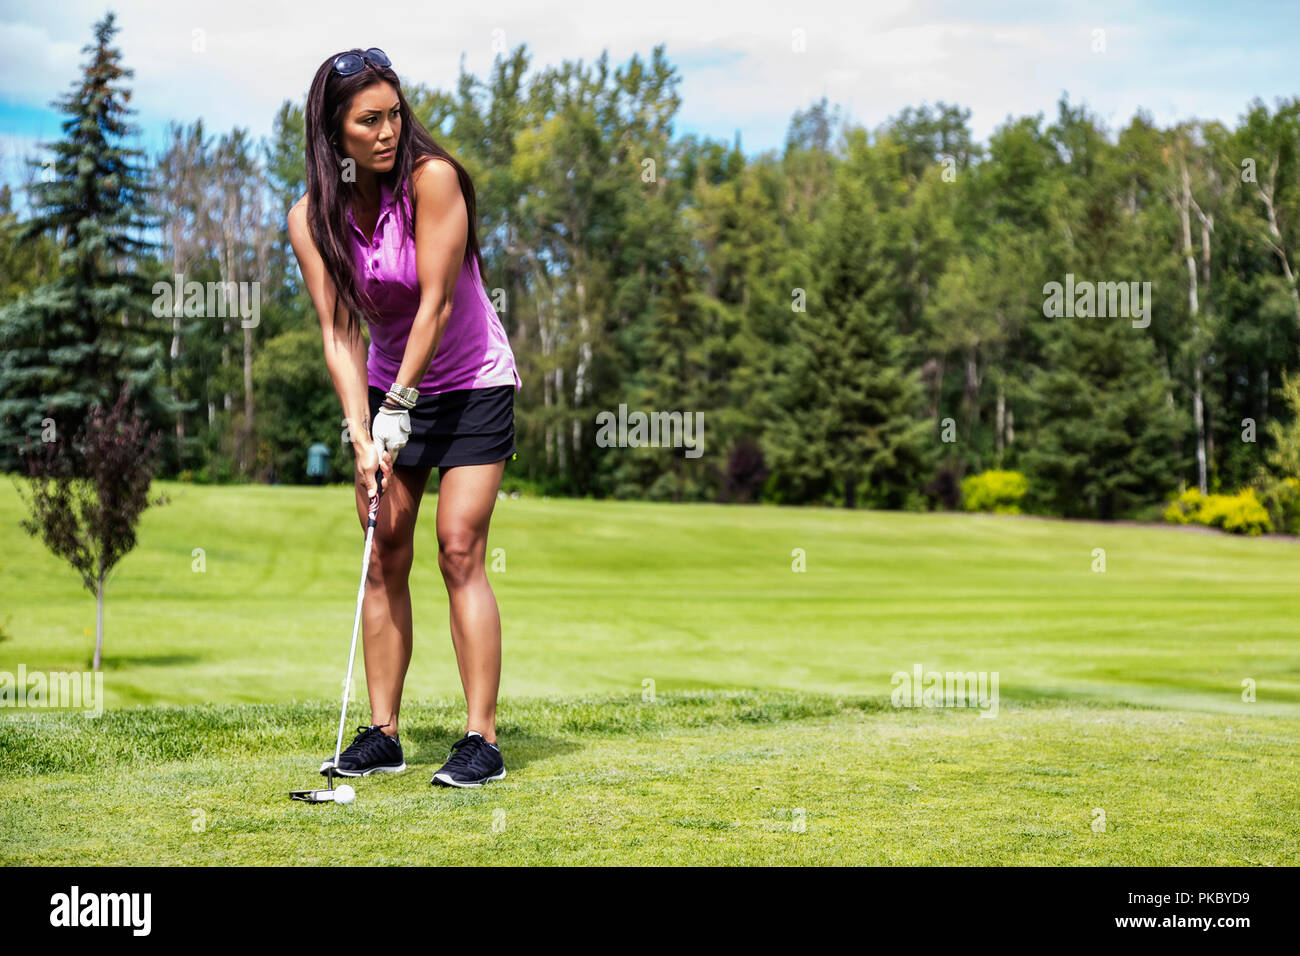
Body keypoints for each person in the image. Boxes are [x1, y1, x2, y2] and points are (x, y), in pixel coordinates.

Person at [286, 47, 521, 788]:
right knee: (383, 546)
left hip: (471, 382)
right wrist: (362, 435)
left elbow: (439, 304)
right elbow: (339, 333)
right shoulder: (310, 219)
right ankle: (383, 733)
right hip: (391, 389)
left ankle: (480, 739)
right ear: (333, 134)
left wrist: (399, 406)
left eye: (395, 114)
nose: (388, 132)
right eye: (368, 121)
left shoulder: (434, 180)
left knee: (458, 547)